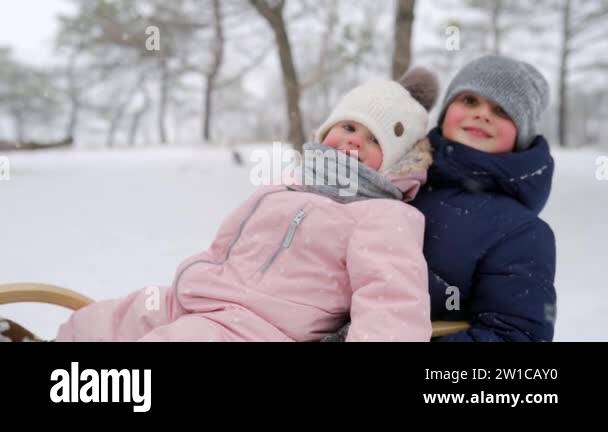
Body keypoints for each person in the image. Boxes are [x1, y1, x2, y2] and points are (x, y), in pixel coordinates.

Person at [54, 67, 440, 342]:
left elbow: (393, 303)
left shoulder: (384, 215)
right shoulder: (288, 185)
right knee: (113, 318)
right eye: (350, 127)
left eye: (374, 140)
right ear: (326, 131)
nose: (355, 141)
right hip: (198, 297)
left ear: (394, 160)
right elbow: (226, 246)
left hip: (259, 327)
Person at [323, 54, 557, 342]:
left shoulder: (522, 232)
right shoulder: (390, 178)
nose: (482, 114)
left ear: (522, 132)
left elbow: (514, 335)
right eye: (470, 100)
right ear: (446, 110)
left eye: (502, 110)